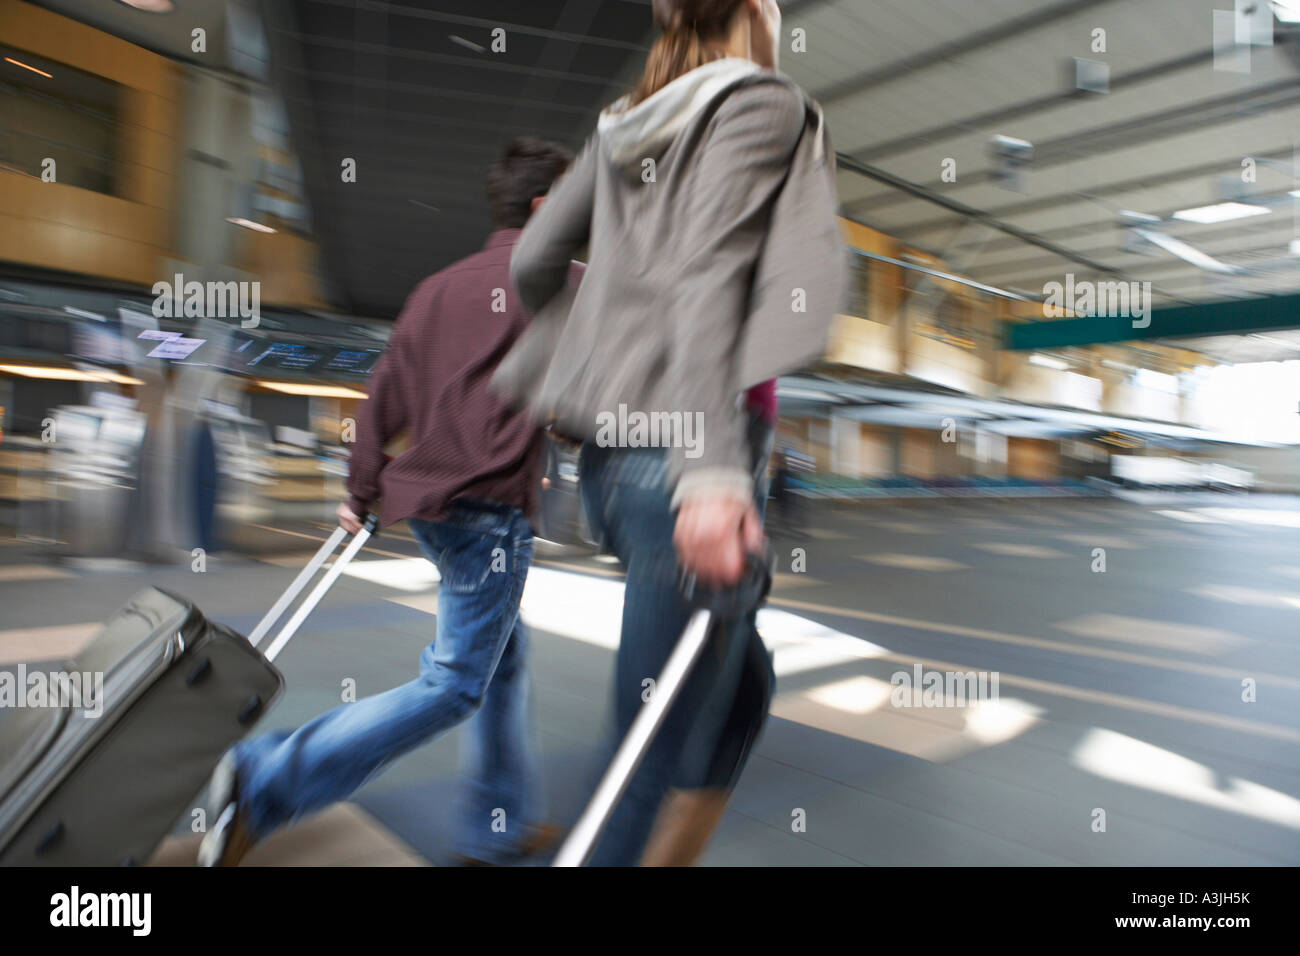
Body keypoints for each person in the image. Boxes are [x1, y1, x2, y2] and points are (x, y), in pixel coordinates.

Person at [493, 0, 846, 865]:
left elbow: (531, 261)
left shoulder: (625, 123)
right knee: (640, 757)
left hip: (615, 473)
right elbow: (707, 275)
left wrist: (603, 347)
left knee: (743, 689)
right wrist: (714, 478)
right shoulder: (756, 101)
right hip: (688, 462)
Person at [199, 137, 579, 867]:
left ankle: (497, 824)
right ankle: (265, 779)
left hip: (432, 507)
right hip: (490, 512)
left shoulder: (438, 289)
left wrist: (361, 488)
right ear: (543, 206)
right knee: (456, 684)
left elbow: (386, 390)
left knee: (504, 658)